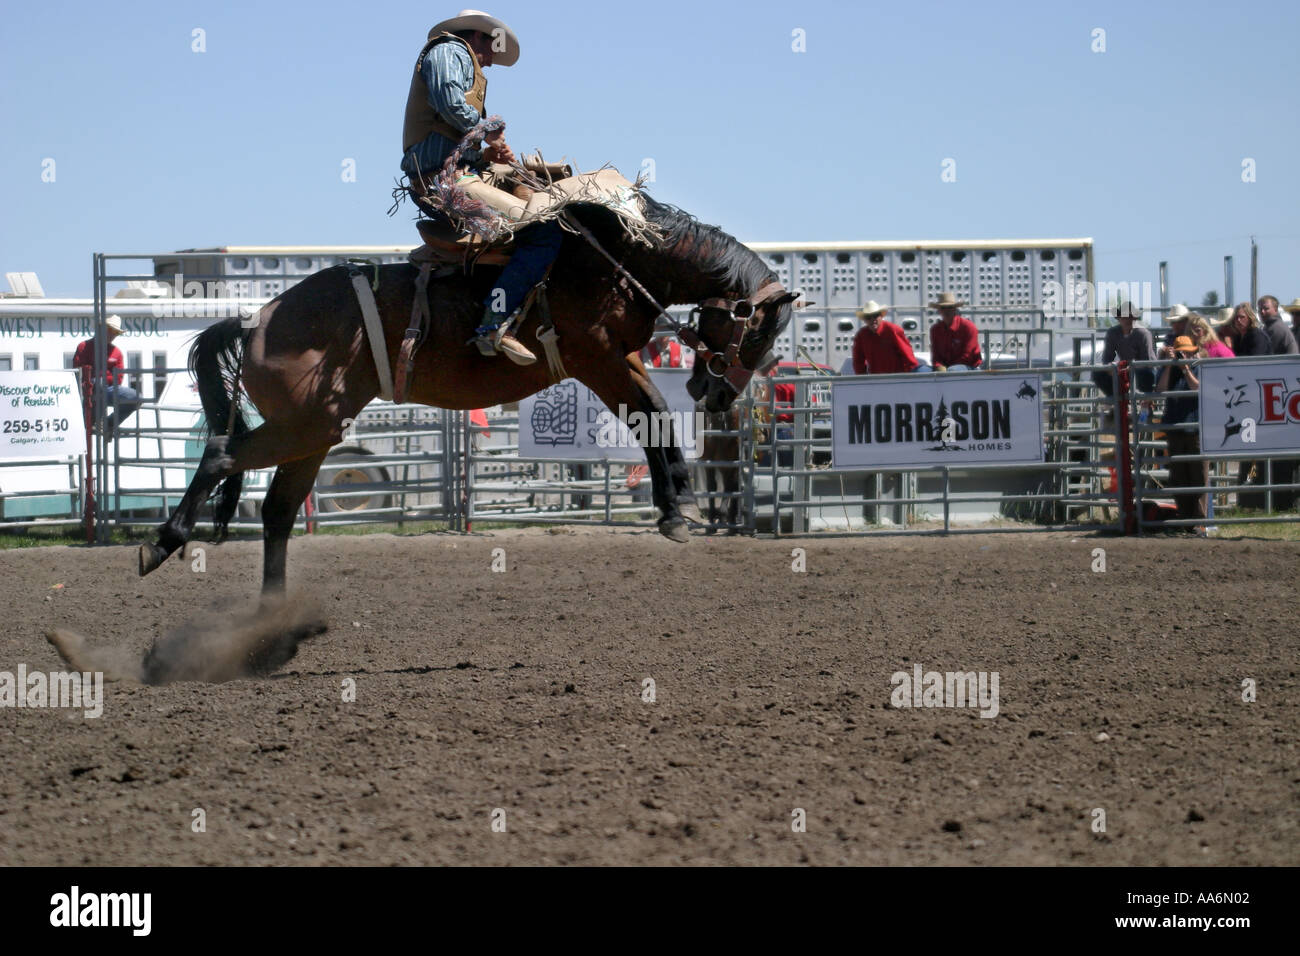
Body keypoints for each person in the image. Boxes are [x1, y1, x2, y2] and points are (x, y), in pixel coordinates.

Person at [400, 10, 559, 365]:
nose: (489, 61)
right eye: (490, 51)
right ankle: (493, 323)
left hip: (459, 172)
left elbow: (456, 129)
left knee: (539, 203)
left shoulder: (461, 59)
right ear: (477, 37)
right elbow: (451, 104)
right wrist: (491, 129)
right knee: (541, 230)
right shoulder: (448, 50)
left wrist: (486, 150)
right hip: (445, 181)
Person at [1156, 334, 1207, 534]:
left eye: (1186, 351)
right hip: (1175, 428)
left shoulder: (1199, 367)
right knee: (1179, 476)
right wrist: (1169, 365)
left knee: (1198, 477)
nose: (1182, 354)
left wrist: (1185, 369)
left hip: (1195, 428)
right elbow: (1159, 389)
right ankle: (1185, 519)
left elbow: (1198, 388)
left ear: (1192, 351)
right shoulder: (1169, 369)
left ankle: (1199, 522)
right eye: (1179, 352)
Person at [73, 314, 140, 440]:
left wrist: (101, 377)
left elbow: (118, 378)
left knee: (136, 397)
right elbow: (80, 372)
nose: (112, 334)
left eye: (115, 332)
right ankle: (94, 421)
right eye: (110, 330)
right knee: (96, 384)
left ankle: (108, 423)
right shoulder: (84, 347)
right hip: (88, 390)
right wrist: (104, 377)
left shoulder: (117, 352)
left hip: (107, 389)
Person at [1093, 301, 1156, 397]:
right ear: (1119, 318)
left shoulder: (1143, 333)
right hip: (1124, 371)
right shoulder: (1112, 333)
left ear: (1135, 318)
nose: (1127, 320)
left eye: (1130, 316)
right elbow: (1107, 358)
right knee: (1098, 374)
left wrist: (1130, 368)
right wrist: (1111, 367)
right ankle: (1117, 401)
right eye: (1124, 316)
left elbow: (1147, 363)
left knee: (1146, 375)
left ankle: (1144, 406)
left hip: (1143, 371)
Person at [851, 301, 931, 374]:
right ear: (865, 320)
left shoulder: (893, 330)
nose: (873, 320)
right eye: (868, 317)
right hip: (875, 379)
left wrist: (912, 378)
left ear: (881, 316)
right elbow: (858, 362)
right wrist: (863, 380)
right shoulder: (861, 335)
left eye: (875, 316)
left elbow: (908, 356)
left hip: (896, 379)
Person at [927, 292, 982, 371]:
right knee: (922, 371)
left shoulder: (968, 327)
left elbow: (967, 356)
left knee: (952, 370)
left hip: (969, 367)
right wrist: (938, 366)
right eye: (943, 308)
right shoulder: (935, 329)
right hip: (947, 368)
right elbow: (935, 356)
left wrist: (946, 369)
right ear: (939, 311)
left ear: (955, 309)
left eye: (950, 307)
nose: (947, 311)